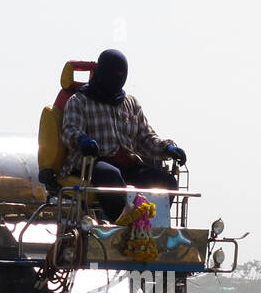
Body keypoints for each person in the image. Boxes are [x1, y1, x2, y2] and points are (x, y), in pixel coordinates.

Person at [49, 49, 187, 223]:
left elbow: (146, 138)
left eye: (122, 74)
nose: (117, 78)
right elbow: (69, 131)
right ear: (100, 73)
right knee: (111, 177)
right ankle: (122, 225)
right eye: (112, 74)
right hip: (92, 163)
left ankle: (152, 228)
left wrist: (168, 148)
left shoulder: (130, 103)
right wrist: (83, 140)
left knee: (166, 182)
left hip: (128, 165)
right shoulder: (79, 100)